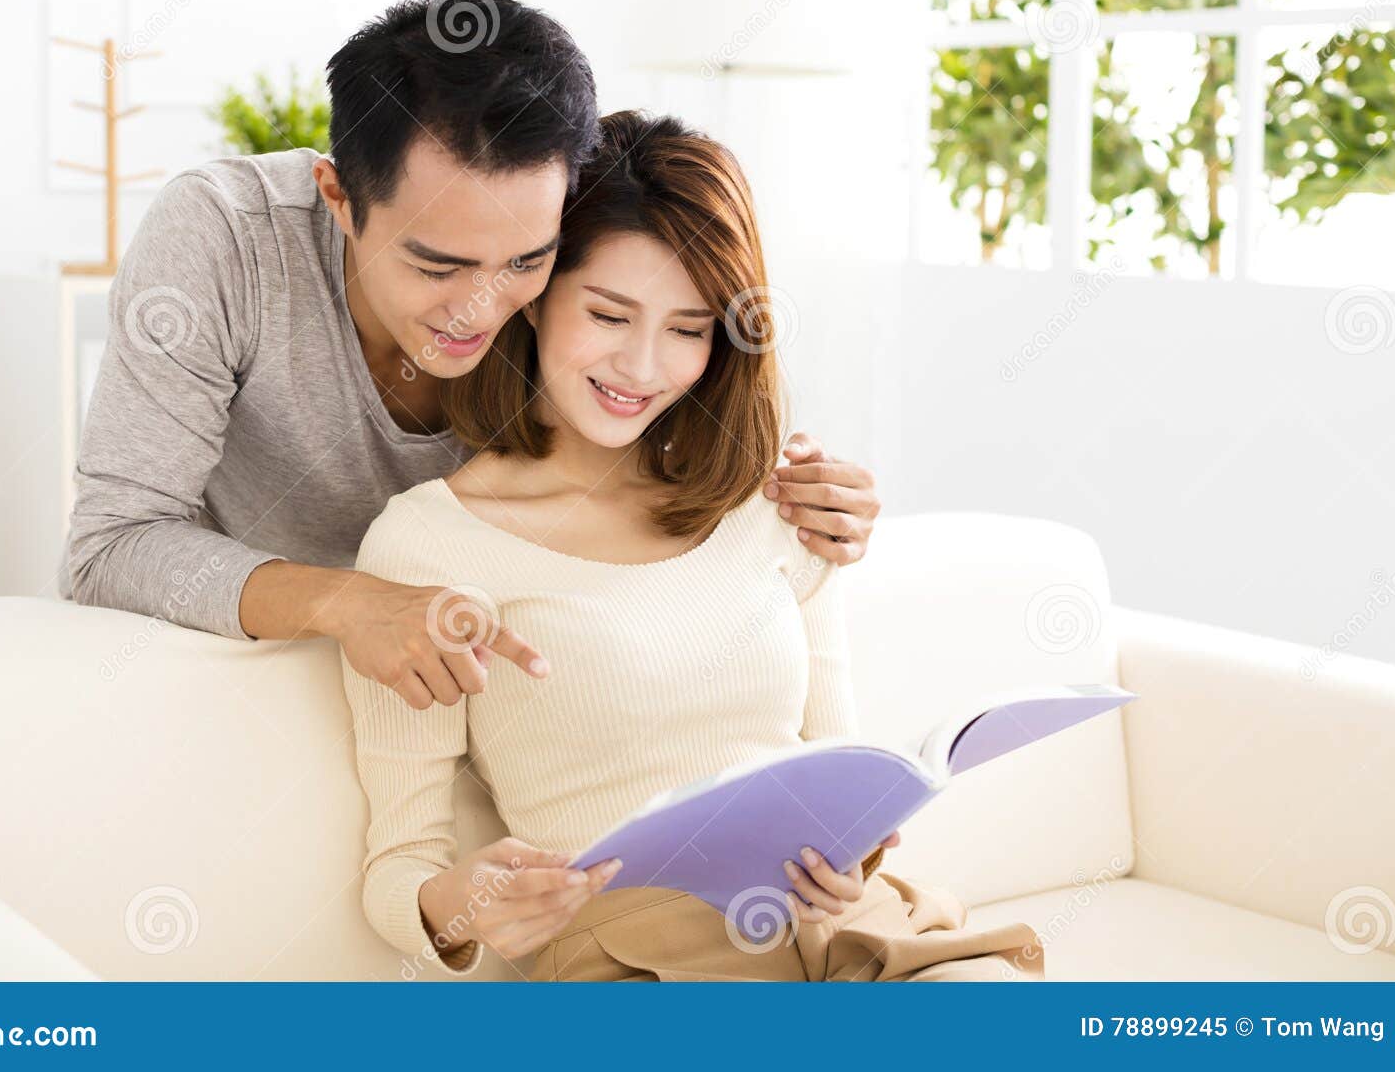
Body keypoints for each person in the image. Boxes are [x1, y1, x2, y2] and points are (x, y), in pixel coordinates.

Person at [340, 111, 1043, 981]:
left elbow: (838, 759)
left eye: (688, 327)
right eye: (608, 313)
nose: (642, 366)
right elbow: (398, 863)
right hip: (632, 954)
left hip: (847, 928)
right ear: (537, 296)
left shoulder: (777, 504)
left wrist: (853, 852)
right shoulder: (430, 543)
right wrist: (461, 905)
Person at [63, 0, 882, 708]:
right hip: (240, 667)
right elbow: (110, 547)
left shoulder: (569, 283)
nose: (481, 309)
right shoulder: (223, 240)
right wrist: (351, 602)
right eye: (437, 265)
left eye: (528, 260)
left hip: (482, 692)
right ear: (339, 196)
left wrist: (798, 488)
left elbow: (650, 379)